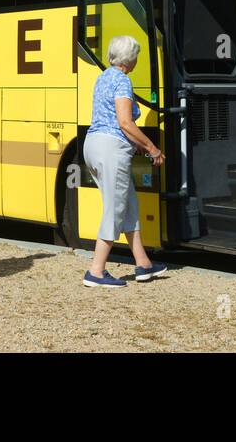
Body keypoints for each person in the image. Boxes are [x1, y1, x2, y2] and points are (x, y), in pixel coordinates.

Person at [81, 34, 168, 287]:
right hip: (111, 149)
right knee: (115, 208)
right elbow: (125, 122)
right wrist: (152, 148)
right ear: (130, 60)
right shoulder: (122, 80)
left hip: (93, 145)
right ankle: (96, 271)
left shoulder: (103, 77)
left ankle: (143, 265)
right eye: (137, 56)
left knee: (128, 203)